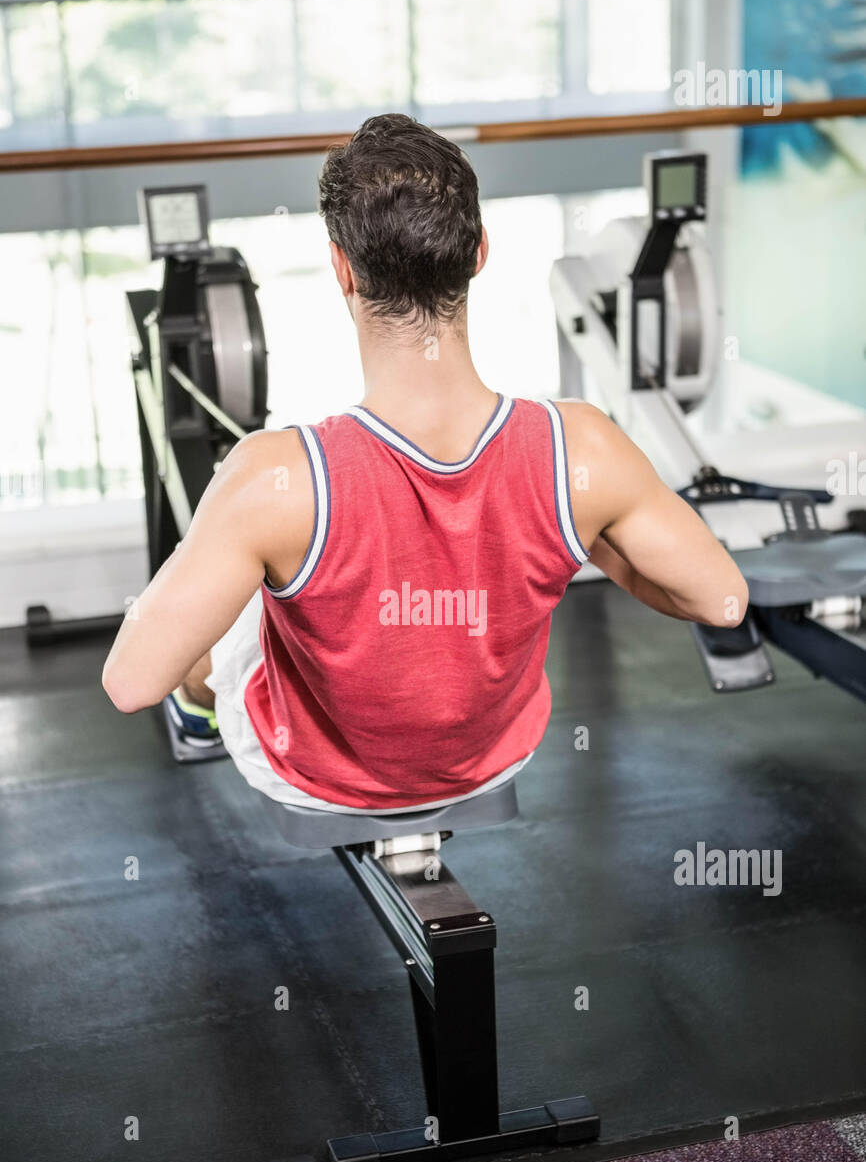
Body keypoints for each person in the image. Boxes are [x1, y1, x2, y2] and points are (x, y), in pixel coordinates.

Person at [103, 112, 748, 814]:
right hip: (497, 759)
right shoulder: (583, 446)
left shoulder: (270, 478)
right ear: (478, 254)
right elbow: (721, 600)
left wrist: (202, 558)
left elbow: (130, 684)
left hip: (312, 776)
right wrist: (588, 542)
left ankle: (203, 708)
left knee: (233, 603)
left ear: (342, 269)